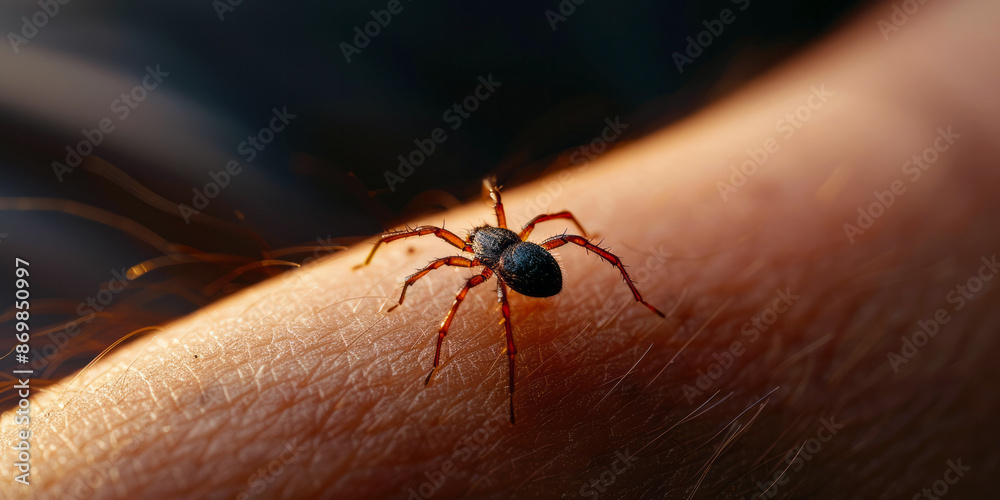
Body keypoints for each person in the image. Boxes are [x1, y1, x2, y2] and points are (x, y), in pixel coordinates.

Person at [4, 0, 998, 498]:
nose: (474, 243)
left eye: (482, 234)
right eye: (482, 236)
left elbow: (498, 252)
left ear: (490, 232)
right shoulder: (488, 244)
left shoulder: (487, 246)